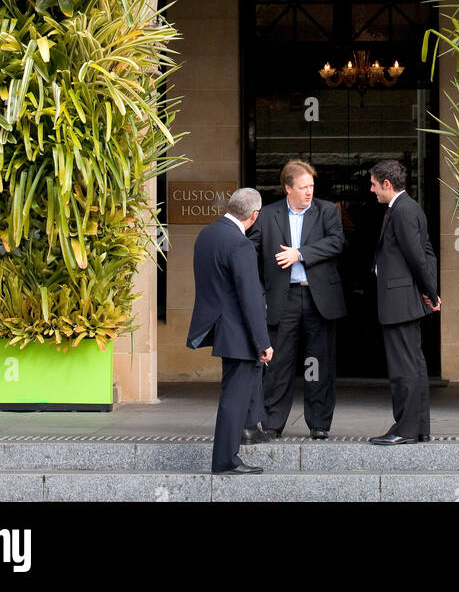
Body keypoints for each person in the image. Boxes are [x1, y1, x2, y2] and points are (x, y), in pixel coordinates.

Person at [247, 159, 346, 439]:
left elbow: (336, 242)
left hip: (319, 300)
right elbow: (250, 252)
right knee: (278, 364)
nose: (309, 192)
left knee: (318, 363)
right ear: (288, 188)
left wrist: (300, 253)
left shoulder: (326, 211)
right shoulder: (267, 215)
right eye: (303, 187)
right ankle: (273, 423)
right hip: (283, 298)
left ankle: (319, 424)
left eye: (311, 186)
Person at [186, 186, 274, 475]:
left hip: (220, 326)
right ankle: (226, 460)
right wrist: (263, 342)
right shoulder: (241, 244)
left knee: (239, 393)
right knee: (234, 399)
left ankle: (253, 425)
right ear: (254, 215)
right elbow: (250, 297)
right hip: (239, 332)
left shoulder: (207, 235)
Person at [369, 158, 440, 445]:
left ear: (387, 184)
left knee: (404, 369)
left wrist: (431, 294)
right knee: (414, 365)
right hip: (406, 299)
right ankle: (417, 427)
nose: (372, 190)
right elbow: (426, 253)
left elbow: (417, 256)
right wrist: (430, 291)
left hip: (400, 302)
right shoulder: (407, 208)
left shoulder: (402, 210)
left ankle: (405, 429)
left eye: (374, 185)